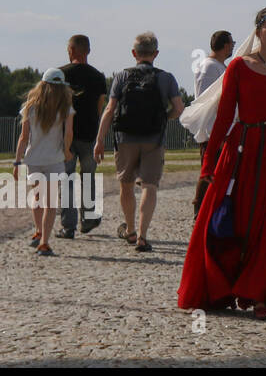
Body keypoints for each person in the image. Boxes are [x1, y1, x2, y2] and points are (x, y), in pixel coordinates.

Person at [178, 8, 266, 319]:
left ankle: (259, 295)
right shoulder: (239, 66)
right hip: (242, 148)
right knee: (228, 220)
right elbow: (224, 116)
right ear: (258, 31)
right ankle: (218, 288)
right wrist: (209, 164)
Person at [94, 32, 183, 254]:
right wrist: (165, 118)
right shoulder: (166, 78)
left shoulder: (122, 77)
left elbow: (109, 109)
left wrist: (99, 140)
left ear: (134, 53)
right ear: (156, 53)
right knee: (149, 186)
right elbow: (179, 109)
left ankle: (130, 230)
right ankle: (143, 236)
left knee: (126, 185)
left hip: (125, 138)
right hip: (154, 138)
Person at [14, 69, 74, 256]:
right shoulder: (66, 108)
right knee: (51, 203)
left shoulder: (30, 106)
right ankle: (44, 243)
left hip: (33, 159)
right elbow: (68, 134)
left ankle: (38, 231)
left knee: (38, 199)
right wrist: (66, 151)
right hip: (55, 159)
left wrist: (17, 162)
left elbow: (23, 138)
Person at [58, 34, 107, 238]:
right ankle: (87, 218)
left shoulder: (60, 74)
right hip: (90, 134)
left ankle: (68, 226)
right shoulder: (97, 76)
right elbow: (100, 106)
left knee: (66, 179)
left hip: (65, 136)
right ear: (88, 51)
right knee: (88, 177)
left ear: (71, 50)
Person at [191, 30, 234, 216]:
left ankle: (212, 207)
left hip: (221, 128)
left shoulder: (218, 66)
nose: (233, 46)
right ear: (225, 45)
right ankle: (199, 208)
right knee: (210, 170)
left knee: (220, 170)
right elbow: (205, 99)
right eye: (232, 43)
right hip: (212, 129)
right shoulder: (209, 67)